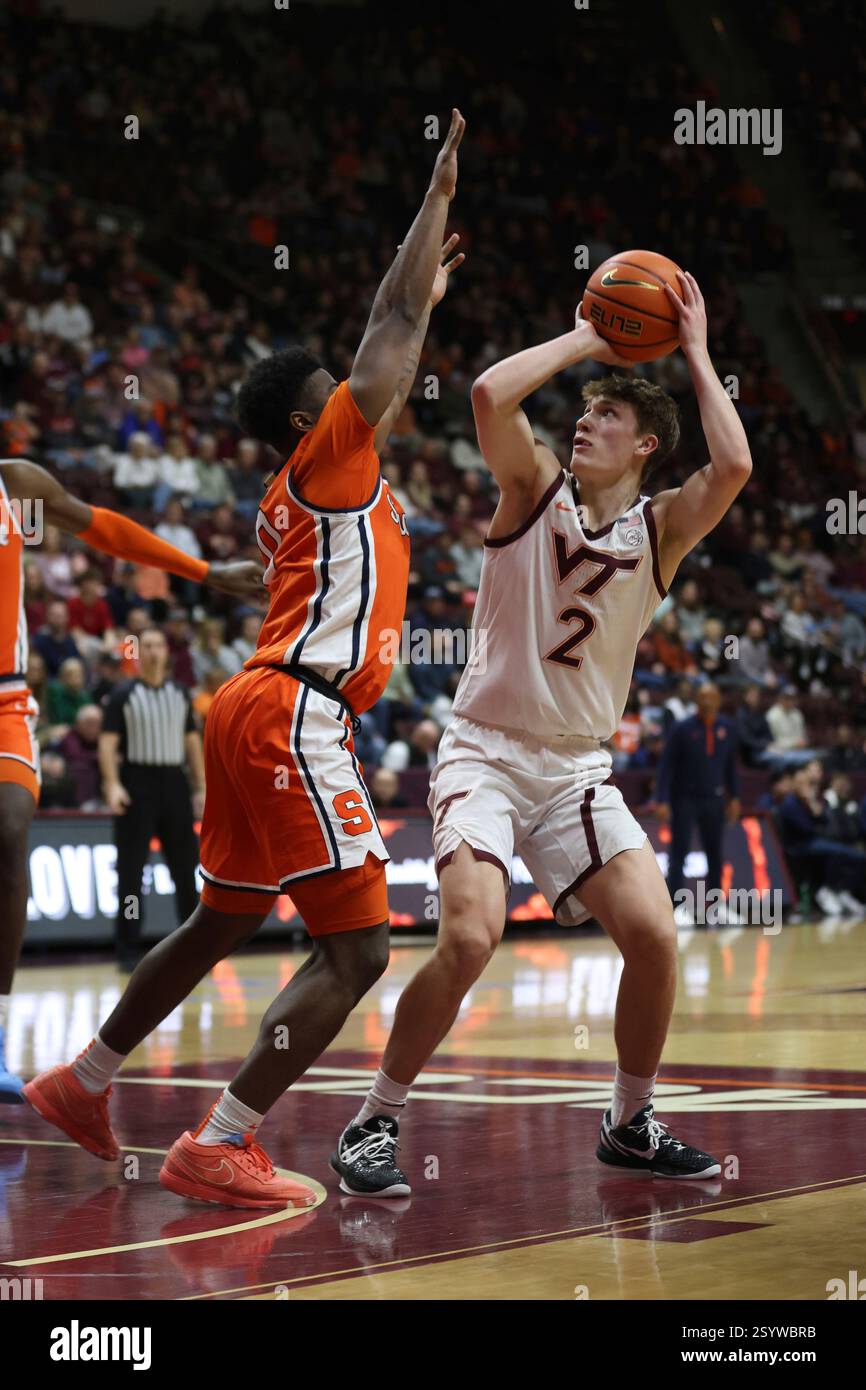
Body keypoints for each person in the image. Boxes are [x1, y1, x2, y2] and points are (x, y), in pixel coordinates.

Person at [23, 111, 466, 1207]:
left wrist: (421, 298)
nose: (372, 387)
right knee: (359, 953)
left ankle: (85, 1079)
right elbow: (392, 312)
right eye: (347, 384)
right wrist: (435, 193)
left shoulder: (290, 498)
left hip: (249, 705)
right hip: (293, 713)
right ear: (317, 411)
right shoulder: (329, 455)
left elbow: (236, 574)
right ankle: (219, 1139)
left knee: (221, 916)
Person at [329, 268, 751, 1194]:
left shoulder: (662, 532)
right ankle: (375, 1121)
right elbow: (488, 393)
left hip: (575, 772)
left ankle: (630, 1120)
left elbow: (733, 468)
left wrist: (694, 349)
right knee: (472, 938)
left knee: (653, 933)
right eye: (583, 412)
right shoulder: (531, 490)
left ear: (644, 445)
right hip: (485, 748)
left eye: (604, 416)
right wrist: (589, 340)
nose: (583, 422)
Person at [0, 457, 264, 1100]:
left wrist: (204, 572)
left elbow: (103, 530)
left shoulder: (14, 485)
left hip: (4, 700)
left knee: (9, 828)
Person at [100, 627, 204, 970]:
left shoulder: (180, 693)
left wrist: (201, 787)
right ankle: (128, 949)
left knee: (185, 870)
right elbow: (108, 743)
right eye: (147, 645)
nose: (155, 651)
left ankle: (192, 945)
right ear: (138, 653)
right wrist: (113, 784)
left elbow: (192, 743)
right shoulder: (122, 694)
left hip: (174, 783)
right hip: (137, 782)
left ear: (166, 651)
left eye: (159, 644)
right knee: (131, 872)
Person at [655, 682, 741, 925]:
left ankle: (716, 906)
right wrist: (662, 799)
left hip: (714, 799)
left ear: (718, 699)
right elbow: (666, 766)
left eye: (711, 696)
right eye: (702, 697)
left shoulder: (727, 728)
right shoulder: (682, 728)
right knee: (678, 853)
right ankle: (677, 907)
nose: (706, 701)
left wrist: (734, 797)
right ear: (695, 700)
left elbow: (731, 767)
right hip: (684, 799)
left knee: (715, 854)